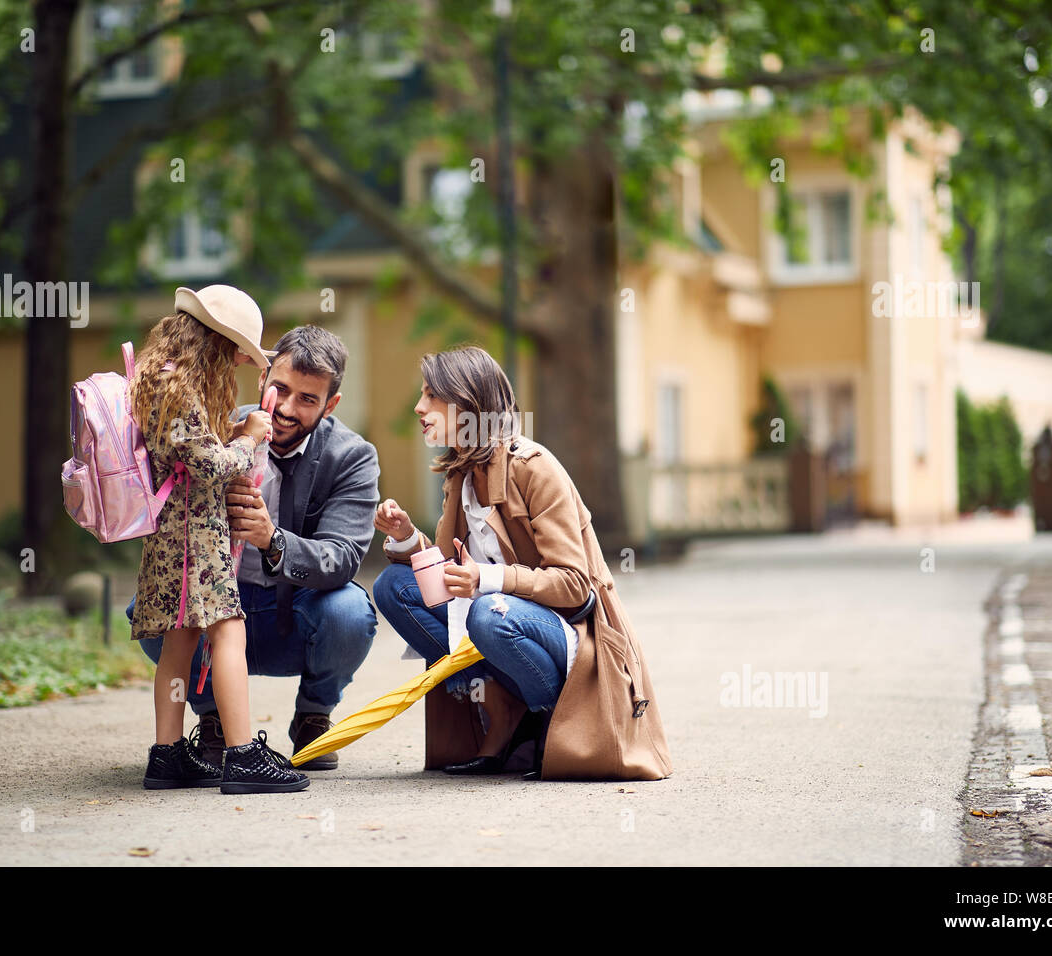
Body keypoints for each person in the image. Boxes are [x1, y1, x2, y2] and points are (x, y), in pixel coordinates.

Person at [372, 345, 672, 780]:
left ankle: (551, 716)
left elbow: (574, 585)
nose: (419, 407)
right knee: (393, 587)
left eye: (431, 396)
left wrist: (485, 579)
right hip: (495, 622)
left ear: (466, 402)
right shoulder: (461, 475)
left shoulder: (534, 468)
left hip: (564, 632)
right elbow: (445, 576)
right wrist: (404, 539)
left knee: (488, 612)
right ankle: (497, 701)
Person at [127, 324, 380, 770]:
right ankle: (213, 720)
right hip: (218, 609)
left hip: (294, 619)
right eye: (280, 388)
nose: (285, 409)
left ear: (330, 404)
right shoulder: (218, 427)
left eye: (307, 399)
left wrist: (272, 539)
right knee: (148, 610)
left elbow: (341, 558)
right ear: (262, 378)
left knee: (350, 612)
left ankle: (312, 716)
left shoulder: (352, 456)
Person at [127, 284, 309, 794]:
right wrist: (249, 438)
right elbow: (205, 466)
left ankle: (166, 755)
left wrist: (229, 438)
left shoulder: (158, 380)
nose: (233, 365)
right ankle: (243, 755)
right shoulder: (180, 390)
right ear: (213, 339)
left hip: (168, 536)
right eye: (232, 351)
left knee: (179, 641)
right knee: (229, 631)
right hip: (194, 538)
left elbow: (185, 456)